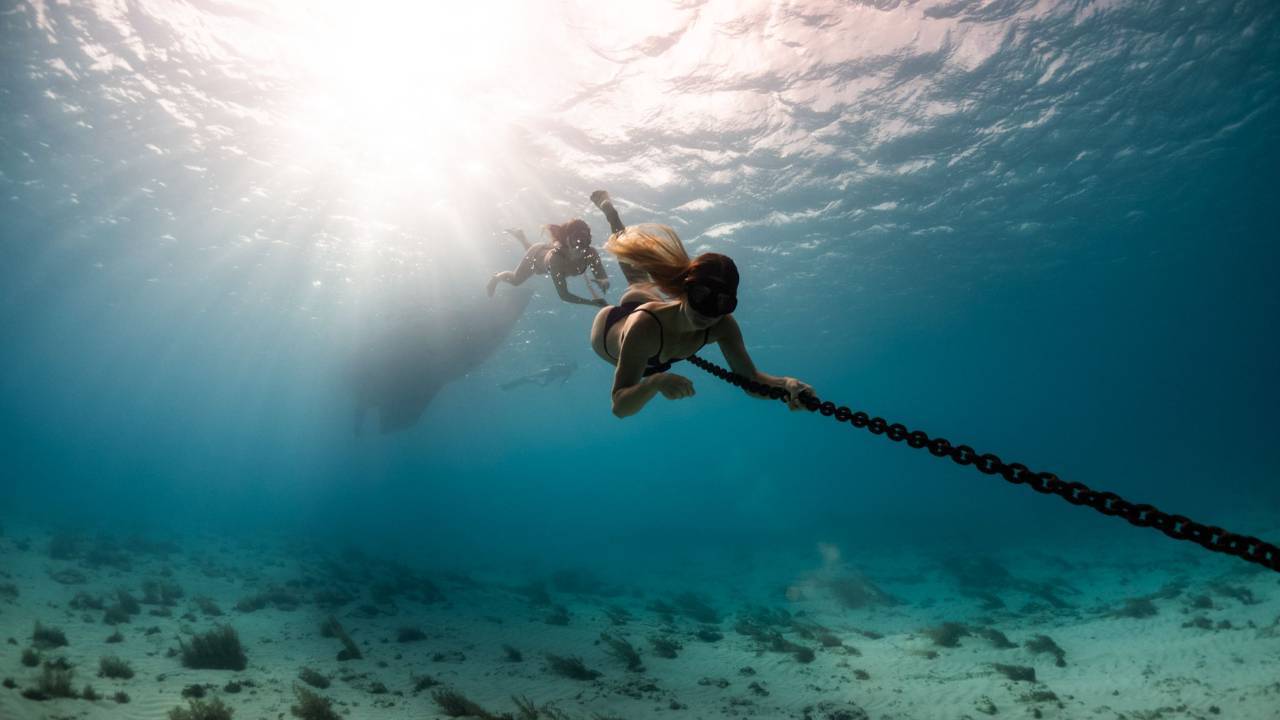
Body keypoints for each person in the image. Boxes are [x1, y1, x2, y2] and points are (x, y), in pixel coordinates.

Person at [587, 190, 814, 418]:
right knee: (637, 281)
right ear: (686, 290)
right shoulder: (644, 327)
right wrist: (654, 382)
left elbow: (751, 381)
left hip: (658, 314)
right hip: (611, 327)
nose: (708, 311)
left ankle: (614, 218)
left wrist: (787, 384)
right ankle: (613, 218)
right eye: (701, 294)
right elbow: (619, 407)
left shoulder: (722, 326)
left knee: (639, 282)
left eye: (722, 302)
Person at [487, 220, 610, 307]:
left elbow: (601, 274)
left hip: (546, 252)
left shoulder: (591, 253)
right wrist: (591, 303)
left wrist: (603, 281)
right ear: (567, 239)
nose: (580, 242)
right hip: (536, 256)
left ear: (589, 238)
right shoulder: (556, 260)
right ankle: (496, 277)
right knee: (515, 280)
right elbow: (564, 295)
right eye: (577, 237)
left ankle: (521, 236)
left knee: (536, 258)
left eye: (585, 237)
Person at [500, 361, 578, 390]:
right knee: (534, 377)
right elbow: (554, 366)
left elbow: (565, 379)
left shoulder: (568, 372)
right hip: (549, 372)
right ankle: (528, 379)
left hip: (551, 374)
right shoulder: (565, 367)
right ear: (572, 366)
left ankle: (530, 380)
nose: (572, 369)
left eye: (573, 368)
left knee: (542, 385)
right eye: (573, 367)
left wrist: (562, 384)